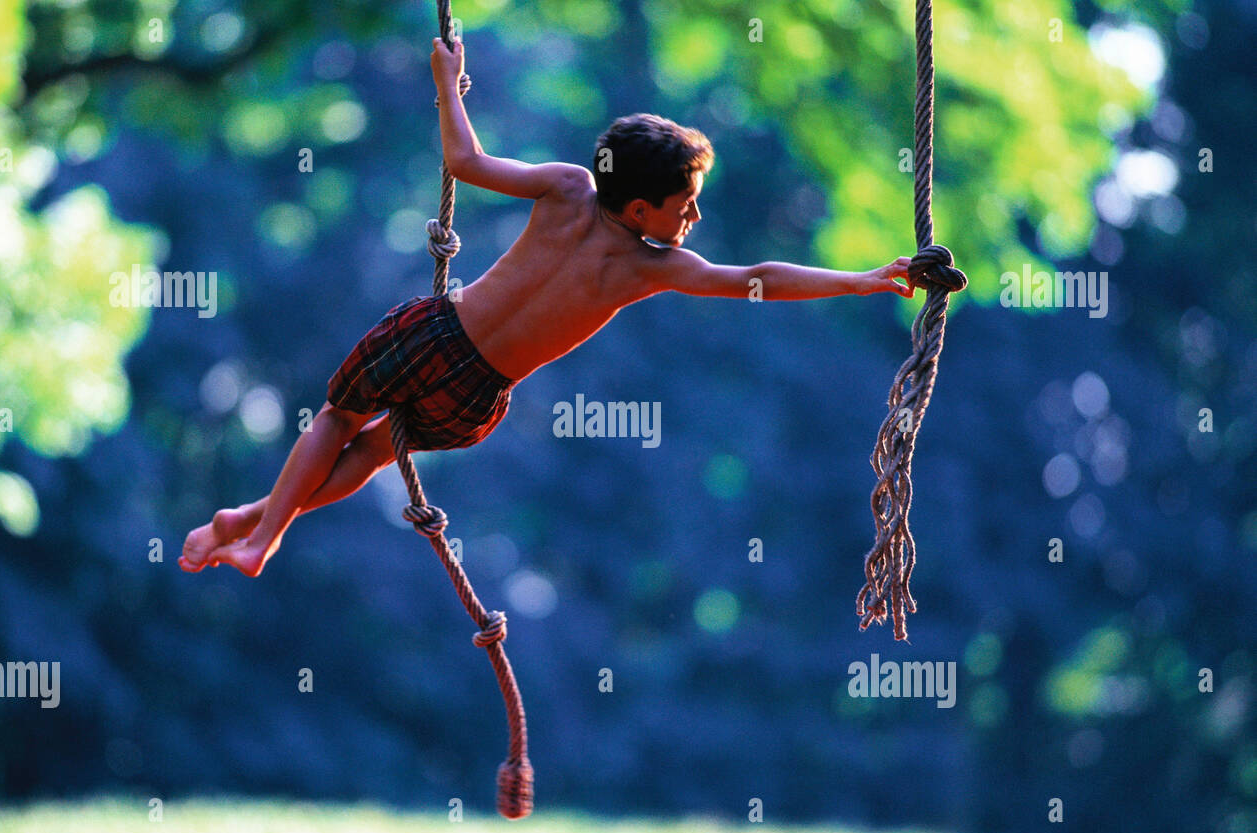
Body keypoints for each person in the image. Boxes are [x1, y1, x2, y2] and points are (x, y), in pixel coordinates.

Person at [180, 37, 913, 577]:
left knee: (339, 418)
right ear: (638, 206)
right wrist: (865, 279)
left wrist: (446, 84)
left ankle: (261, 530)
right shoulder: (648, 268)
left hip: (437, 332)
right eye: (685, 206)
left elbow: (465, 163)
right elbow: (756, 277)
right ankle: (254, 524)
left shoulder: (565, 187)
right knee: (372, 448)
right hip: (470, 395)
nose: (693, 221)